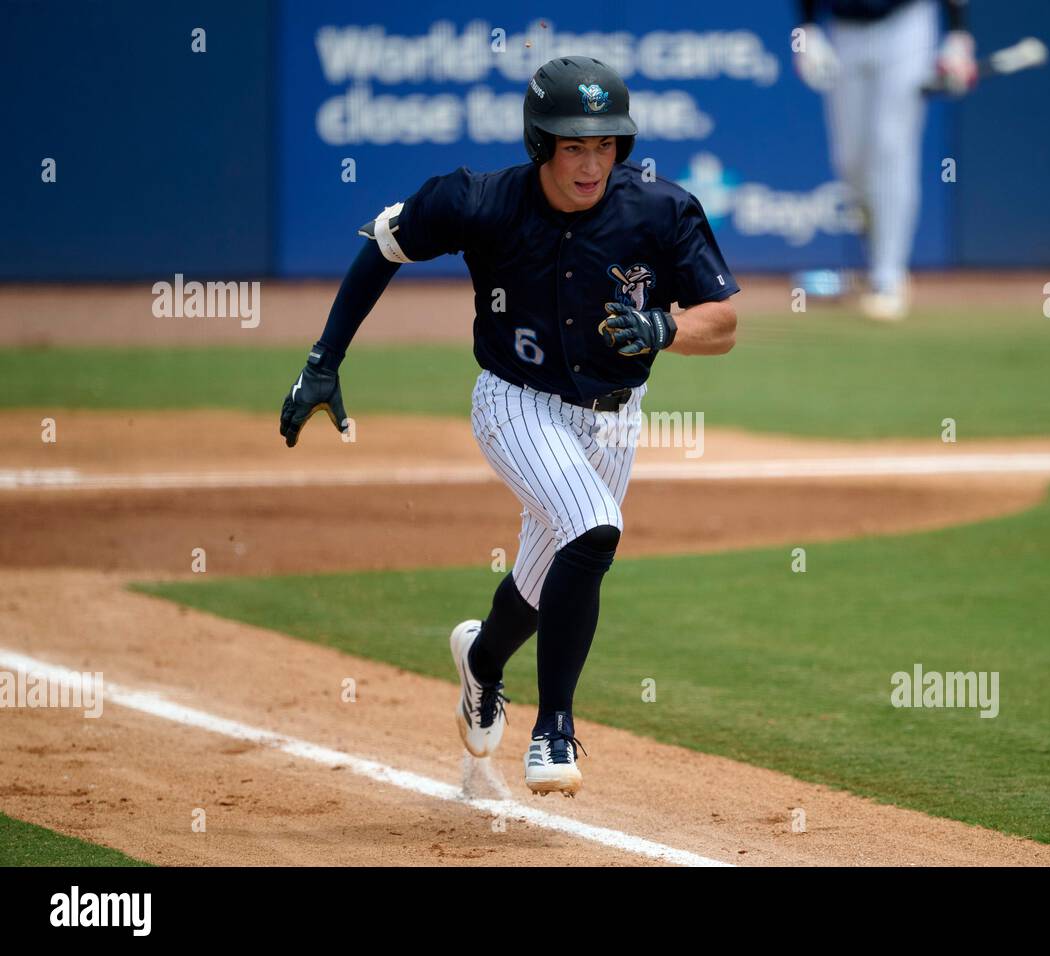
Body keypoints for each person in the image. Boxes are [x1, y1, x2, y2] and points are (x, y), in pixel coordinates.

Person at [278, 55, 740, 797]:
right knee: (593, 529)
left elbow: (722, 324)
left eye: (605, 145)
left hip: (615, 420)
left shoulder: (660, 209)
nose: (592, 164)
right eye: (573, 146)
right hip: (514, 401)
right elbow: (384, 242)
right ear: (539, 144)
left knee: (539, 582)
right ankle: (553, 730)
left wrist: (663, 327)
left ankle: (482, 663)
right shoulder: (477, 200)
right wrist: (323, 358)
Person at [794, 0, 977, 320]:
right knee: (850, 160)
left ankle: (888, 279)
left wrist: (958, 34)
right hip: (843, 28)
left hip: (906, 23)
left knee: (891, 148)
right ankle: (878, 260)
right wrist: (806, 29)